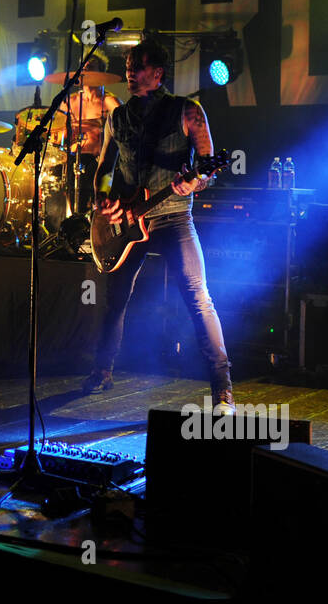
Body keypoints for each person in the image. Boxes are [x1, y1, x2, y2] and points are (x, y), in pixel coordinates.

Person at [85, 38, 234, 413]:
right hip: (129, 225)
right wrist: (104, 201)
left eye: (138, 66)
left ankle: (223, 393)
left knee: (199, 299)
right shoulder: (117, 117)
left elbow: (208, 172)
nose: (130, 72)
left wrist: (194, 181)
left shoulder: (189, 111)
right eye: (129, 65)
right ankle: (102, 371)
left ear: (158, 73)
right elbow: (104, 170)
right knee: (115, 300)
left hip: (174, 218)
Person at [64, 53, 121, 210]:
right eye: (84, 66)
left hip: (99, 164)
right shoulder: (70, 102)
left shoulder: (110, 102)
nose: (86, 69)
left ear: (101, 73)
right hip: (73, 161)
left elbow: (124, 132)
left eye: (91, 66)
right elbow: (58, 133)